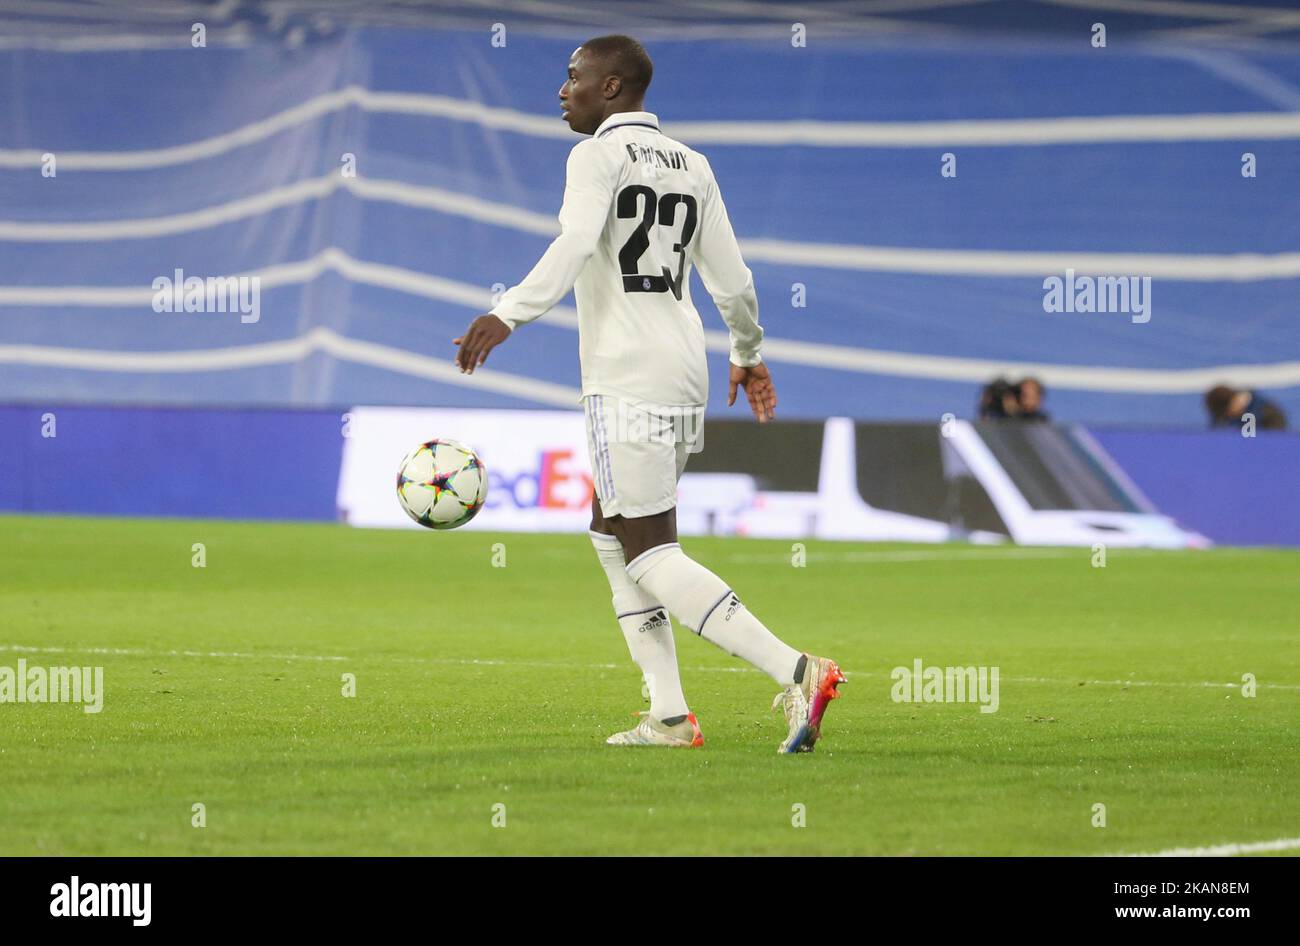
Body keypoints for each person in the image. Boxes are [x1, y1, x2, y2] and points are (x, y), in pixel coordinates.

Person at [452, 35, 844, 753]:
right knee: (613, 531)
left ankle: (797, 670)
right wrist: (749, 353)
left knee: (649, 552)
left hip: (624, 372)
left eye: (572, 77)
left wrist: (506, 311)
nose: (561, 90)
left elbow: (575, 241)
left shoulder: (594, 156)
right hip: (683, 367)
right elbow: (734, 280)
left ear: (610, 88)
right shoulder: (694, 165)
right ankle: (668, 716)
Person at [1205, 385, 1288, 431]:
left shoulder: (1268, 413)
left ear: (1234, 401)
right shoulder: (1220, 416)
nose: (1229, 416)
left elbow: (1277, 439)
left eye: (1229, 412)